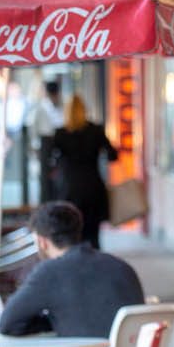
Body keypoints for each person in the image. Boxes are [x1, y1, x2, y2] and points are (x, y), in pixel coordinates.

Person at [0, 201, 145, 338]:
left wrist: (53, 321)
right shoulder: (122, 267)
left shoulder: (49, 272)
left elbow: (7, 324)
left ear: (42, 242)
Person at [47, 94, 118, 246]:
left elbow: (49, 159)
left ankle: (76, 263)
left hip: (69, 188)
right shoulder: (96, 130)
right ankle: (94, 263)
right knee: (93, 234)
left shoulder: (60, 133)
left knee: (72, 231)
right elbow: (113, 156)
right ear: (84, 110)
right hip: (93, 186)